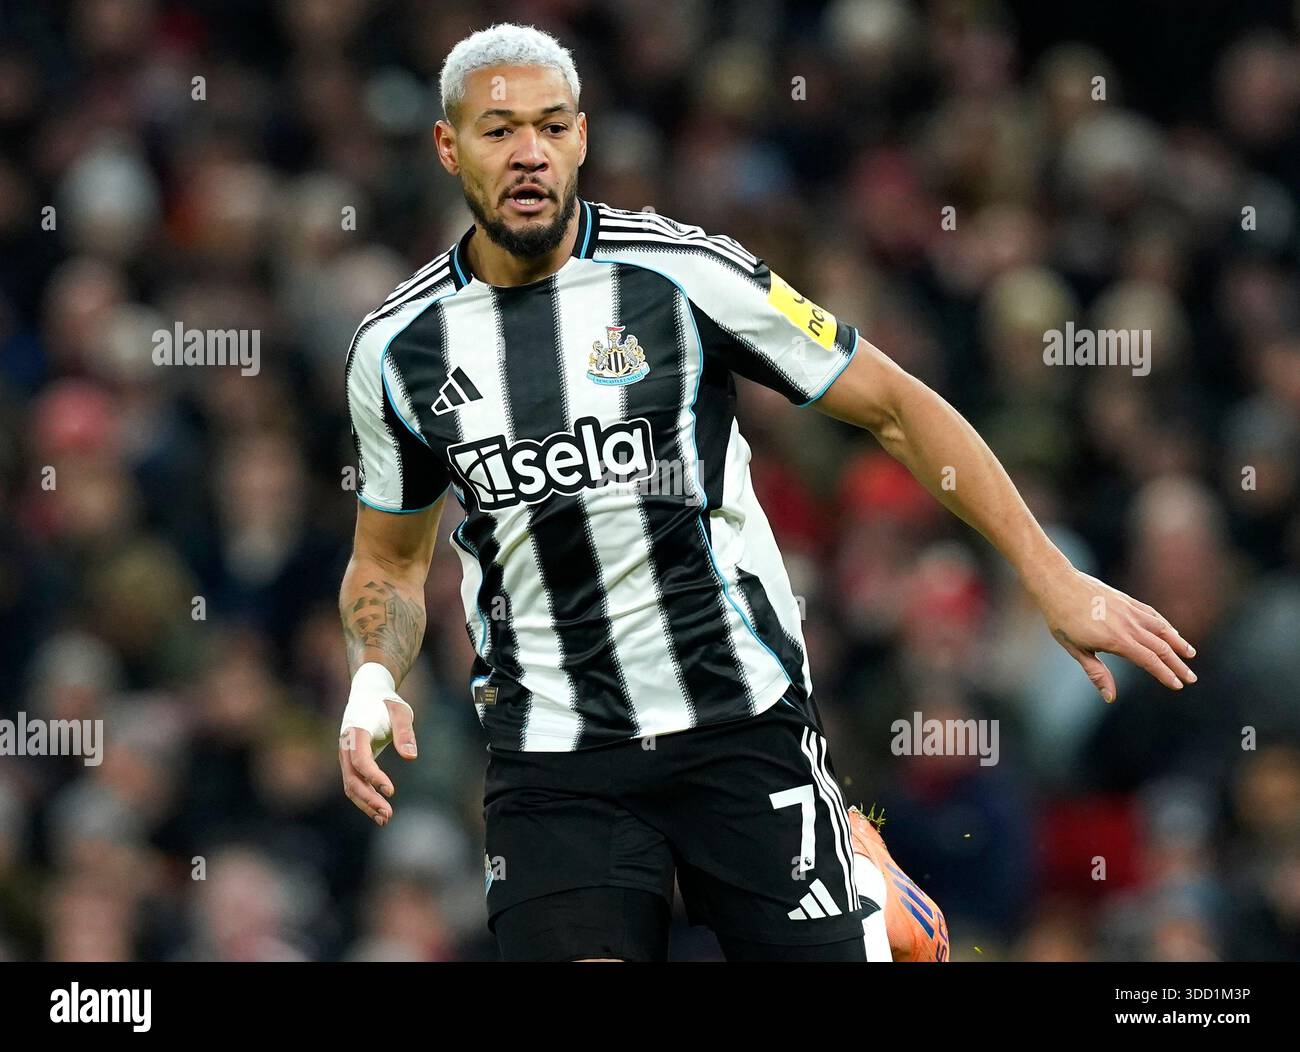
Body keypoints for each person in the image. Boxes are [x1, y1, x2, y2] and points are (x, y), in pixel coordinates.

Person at [336, 23, 1197, 962]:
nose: (530, 153)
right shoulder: (397, 350)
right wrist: (374, 676)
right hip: (552, 752)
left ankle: (862, 884)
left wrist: (1050, 576)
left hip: (734, 718)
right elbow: (389, 558)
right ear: (448, 145)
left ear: (582, 136)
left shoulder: (683, 276)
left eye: (550, 126)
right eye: (499, 131)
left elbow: (898, 408)